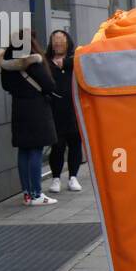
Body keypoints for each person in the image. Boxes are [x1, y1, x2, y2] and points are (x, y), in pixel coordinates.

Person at [0, 31, 58, 206]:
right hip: (36, 110)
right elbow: (49, 85)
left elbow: (5, 85)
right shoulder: (34, 61)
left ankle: (27, 194)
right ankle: (37, 194)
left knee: (23, 151)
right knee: (36, 151)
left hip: (19, 109)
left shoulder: (6, 63)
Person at [43, 29, 83, 193]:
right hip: (54, 110)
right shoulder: (46, 62)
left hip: (74, 109)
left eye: (61, 40)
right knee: (57, 145)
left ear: (67, 42)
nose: (58, 43)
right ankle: (56, 178)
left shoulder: (75, 60)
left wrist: (65, 64)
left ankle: (73, 177)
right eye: (55, 40)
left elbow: (82, 64)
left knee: (75, 143)